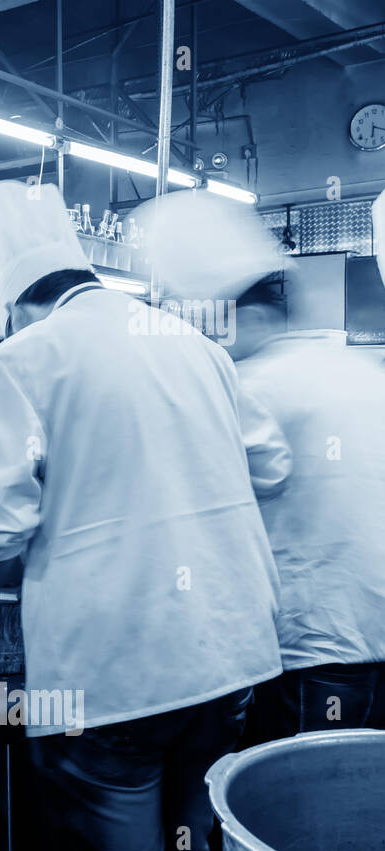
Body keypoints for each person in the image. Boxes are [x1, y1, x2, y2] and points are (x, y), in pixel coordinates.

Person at [0, 180, 290, 851]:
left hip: (111, 679)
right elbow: (272, 464)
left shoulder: (19, 361)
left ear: (7, 297)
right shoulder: (192, 342)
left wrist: (11, 563)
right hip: (231, 656)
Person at [141, 191, 385, 738]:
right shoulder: (352, 367)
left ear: (234, 315)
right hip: (369, 641)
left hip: (320, 657)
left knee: (297, 814)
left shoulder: (252, 389)